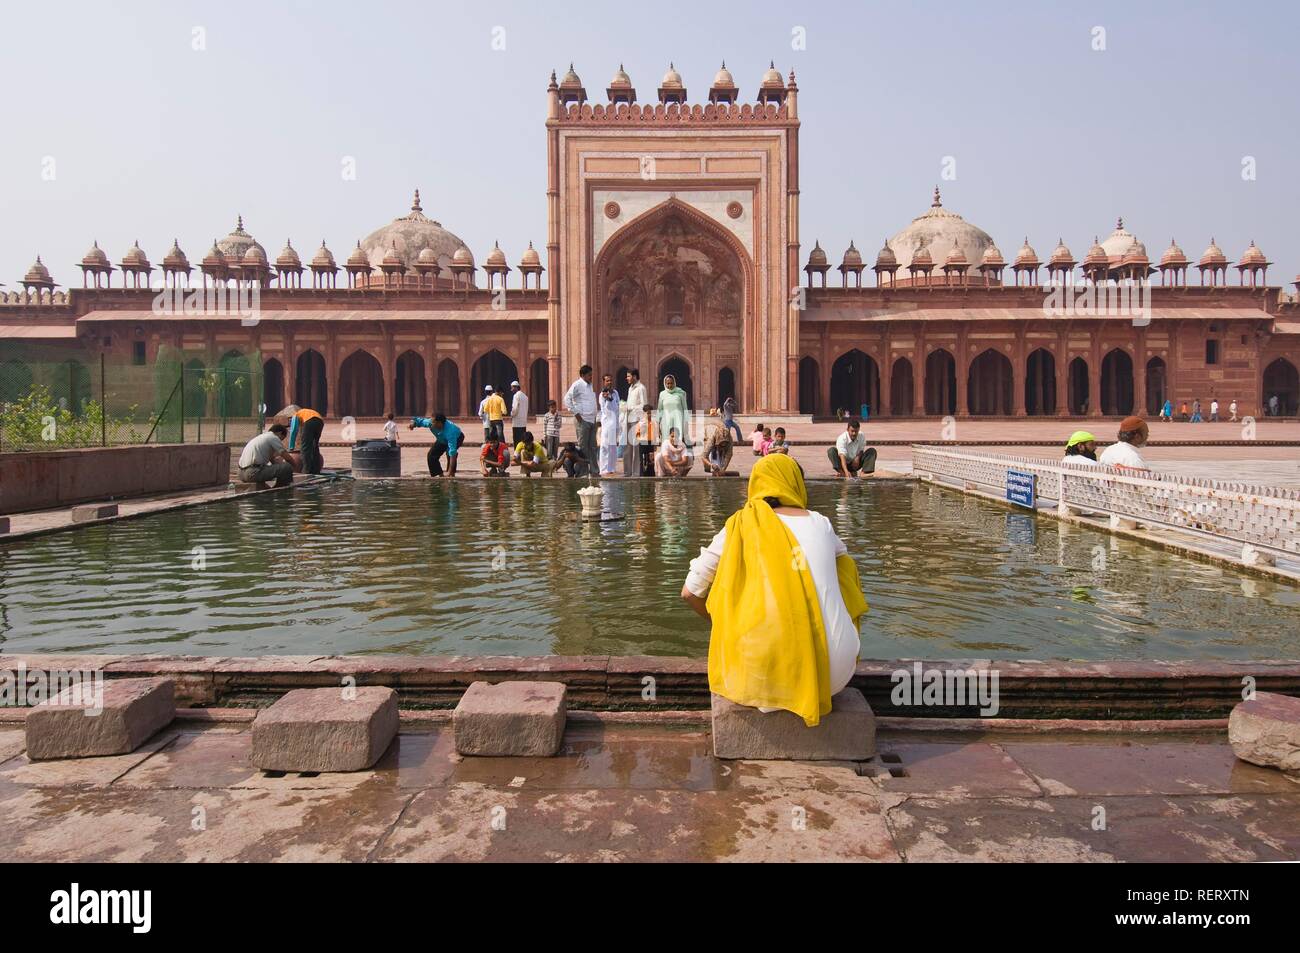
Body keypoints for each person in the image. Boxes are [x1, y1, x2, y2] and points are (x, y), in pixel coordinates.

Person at [681, 454, 869, 727]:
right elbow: (847, 570)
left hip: (762, 678)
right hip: (836, 675)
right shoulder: (821, 523)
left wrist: (723, 623)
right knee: (843, 568)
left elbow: (689, 592)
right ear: (795, 484)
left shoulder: (740, 524)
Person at [237, 423, 295, 488]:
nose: (281, 441)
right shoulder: (273, 437)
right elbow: (288, 458)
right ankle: (279, 491)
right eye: (282, 439)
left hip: (241, 474)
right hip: (252, 473)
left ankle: (270, 489)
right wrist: (294, 466)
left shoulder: (262, 437)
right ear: (279, 433)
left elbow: (272, 460)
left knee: (279, 468)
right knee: (287, 467)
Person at [563, 364, 598, 468]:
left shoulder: (590, 385)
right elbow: (567, 399)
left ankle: (594, 470)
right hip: (582, 420)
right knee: (583, 447)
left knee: (593, 446)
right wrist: (576, 413)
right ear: (582, 375)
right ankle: (583, 471)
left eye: (591, 375)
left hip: (592, 420)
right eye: (589, 375)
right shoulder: (577, 384)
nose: (591, 377)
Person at [410, 413, 463, 477]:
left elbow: (452, 453)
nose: (431, 423)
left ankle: (451, 474)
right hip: (441, 438)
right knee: (431, 455)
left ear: (439, 423)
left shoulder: (451, 431)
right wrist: (413, 424)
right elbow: (419, 421)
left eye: (433, 422)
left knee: (449, 453)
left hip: (457, 437)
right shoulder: (430, 423)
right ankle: (439, 475)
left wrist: (449, 472)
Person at [281, 405, 325, 475]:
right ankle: (316, 470)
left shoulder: (295, 415)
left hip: (309, 421)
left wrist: (291, 446)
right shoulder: (305, 412)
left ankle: (306, 470)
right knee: (315, 446)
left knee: (305, 447)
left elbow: (293, 431)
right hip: (320, 421)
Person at [657, 374, 690, 447]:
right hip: (666, 422)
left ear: (674, 383)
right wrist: (657, 424)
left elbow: (685, 409)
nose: (670, 385)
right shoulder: (662, 394)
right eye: (668, 383)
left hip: (678, 421)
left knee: (678, 442)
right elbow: (659, 410)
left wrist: (686, 424)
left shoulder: (681, 393)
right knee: (666, 442)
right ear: (665, 383)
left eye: (671, 383)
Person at [597, 374, 621, 475]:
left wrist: (610, 398)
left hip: (614, 423)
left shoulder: (615, 393)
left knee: (613, 447)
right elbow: (606, 409)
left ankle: (611, 468)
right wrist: (609, 399)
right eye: (607, 381)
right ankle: (603, 469)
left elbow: (617, 407)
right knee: (604, 446)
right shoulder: (602, 395)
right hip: (606, 424)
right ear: (604, 382)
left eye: (610, 380)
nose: (609, 382)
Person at [634, 405, 657, 476]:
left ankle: (651, 475)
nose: (649, 415)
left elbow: (655, 433)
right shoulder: (640, 423)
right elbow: (637, 435)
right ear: (644, 413)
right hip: (643, 442)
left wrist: (655, 444)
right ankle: (643, 475)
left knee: (650, 460)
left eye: (651, 413)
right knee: (643, 460)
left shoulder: (654, 422)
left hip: (651, 443)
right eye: (648, 413)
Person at [509, 380, 529, 447]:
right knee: (523, 440)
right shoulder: (525, 397)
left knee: (517, 440)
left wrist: (511, 414)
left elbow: (515, 409)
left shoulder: (516, 396)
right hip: (523, 422)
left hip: (517, 422)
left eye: (512, 388)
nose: (511, 390)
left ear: (516, 387)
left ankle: (517, 455)